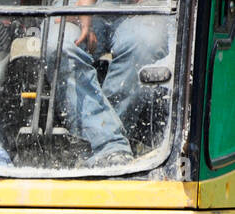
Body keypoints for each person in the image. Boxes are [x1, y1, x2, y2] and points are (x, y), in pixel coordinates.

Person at [44, 0, 170, 166]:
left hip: (135, 6)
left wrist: (85, 5)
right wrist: (81, 6)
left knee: (147, 43)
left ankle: (102, 145)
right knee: (59, 46)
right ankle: (110, 148)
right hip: (71, 3)